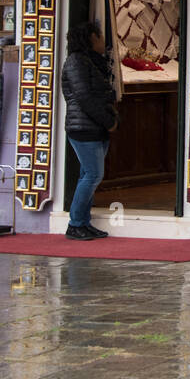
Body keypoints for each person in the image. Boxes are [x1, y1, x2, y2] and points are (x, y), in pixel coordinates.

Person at [60, 21, 117, 240]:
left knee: (88, 174)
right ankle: (75, 223)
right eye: (100, 37)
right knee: (93, 174)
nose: (103, 42)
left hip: (92, 125)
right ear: (92, 38)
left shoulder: (90, 62)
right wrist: (107, 120)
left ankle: (83, 221)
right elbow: (85, 97)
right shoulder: (76, 62)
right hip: (84, 127)